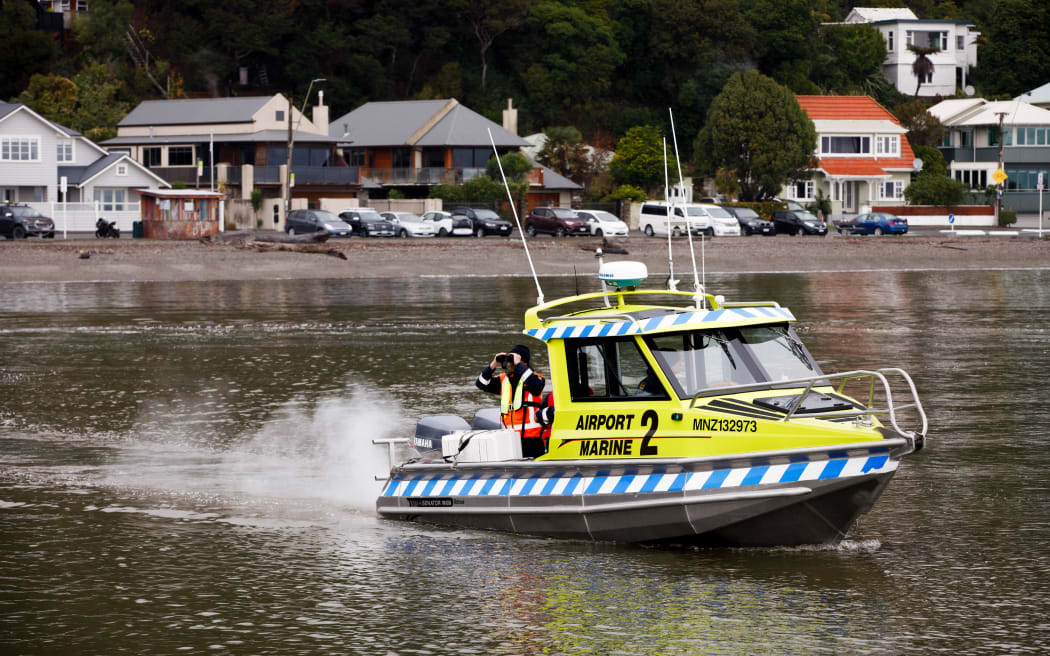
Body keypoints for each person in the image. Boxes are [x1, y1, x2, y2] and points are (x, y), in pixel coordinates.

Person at [476, 344, 551, 457]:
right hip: (509, 440)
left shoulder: (537, 378)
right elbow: (481, 383)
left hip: (533, 440)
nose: (510, 363)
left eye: (512, 360)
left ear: (523, 361)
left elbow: (535, 387)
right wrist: (494, 364)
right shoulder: (504, 380)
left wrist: (518, 364)